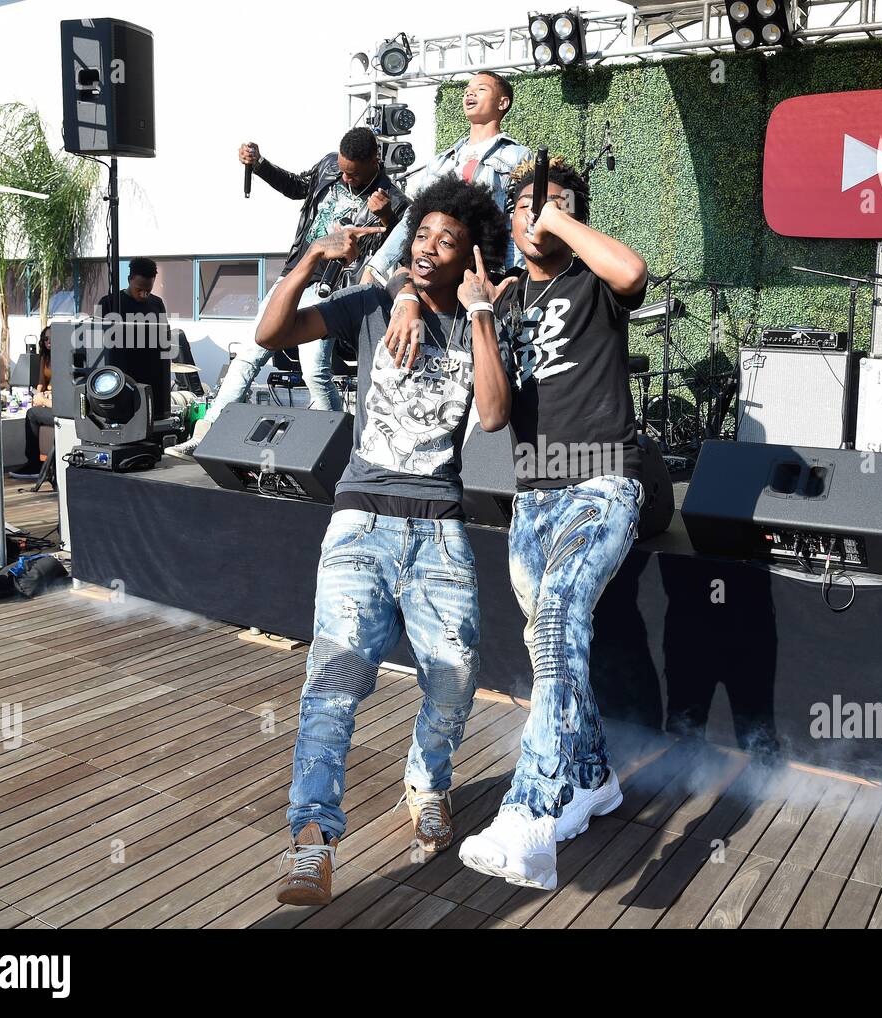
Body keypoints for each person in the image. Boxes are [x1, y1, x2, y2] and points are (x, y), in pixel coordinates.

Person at [259, 176, 515, 908]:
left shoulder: (476, 316)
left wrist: (482, 315)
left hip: (439, 527)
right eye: (424, 235)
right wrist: (312, 258)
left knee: (456, 675)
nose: (432, 248)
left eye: (449, 241)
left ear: (470, 257)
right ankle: (311, 841)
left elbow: (493, 416)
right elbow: (271, 334)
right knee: (332, 681)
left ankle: (427, 781)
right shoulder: (374, 305)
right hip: (361, 521)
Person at [456, 157, 649, 892]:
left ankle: (529, 815)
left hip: (601, 482)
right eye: (524, 208)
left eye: (555, 206)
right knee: (553, 651)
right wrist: (478, 312)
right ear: (508, 222)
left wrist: (558, 212)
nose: (536, 216)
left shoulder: (593, 281)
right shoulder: (503, 304)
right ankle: (595, 779)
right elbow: (495, 413)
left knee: (561, 616)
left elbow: (632, 272)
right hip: (531, 498)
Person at [168, 127, 409, 458]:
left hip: (331, 288)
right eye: (341, 170)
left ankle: (340, 448)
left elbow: (395, 252)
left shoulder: (393, 199)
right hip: (295, 275)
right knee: (249, 357)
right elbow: (297, 187)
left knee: (315, 373)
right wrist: (261, 164)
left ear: (374, 161)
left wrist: (386, 216)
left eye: (352, 174)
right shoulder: (328, 166)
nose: (344, 177)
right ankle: (208, 432)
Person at [364, 71, 529, 284]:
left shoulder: (516, 155)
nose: (470, 93)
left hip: (483, 272)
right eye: (467, 90)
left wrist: (514, 275)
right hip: (437, 272)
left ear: (502, 102)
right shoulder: (443, 160)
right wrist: (376, 265)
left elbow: (518, 222)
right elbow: (413, 218)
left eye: (481, 89)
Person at [6, 325, 54, 481]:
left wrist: (45, 400)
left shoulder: (65, 357)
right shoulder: (45, 358)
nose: (49, 341)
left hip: (57, 403)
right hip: (47, 397)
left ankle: (34, 463)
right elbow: (41, 381)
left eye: (52, 338)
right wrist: (38, 394)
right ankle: (34, 462)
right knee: (33, 408)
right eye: (46, 339)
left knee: (32, 414)